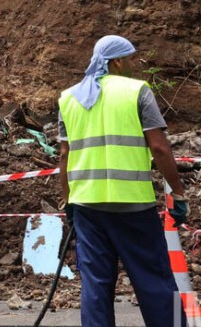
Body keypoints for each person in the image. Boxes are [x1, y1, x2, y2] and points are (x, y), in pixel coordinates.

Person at [56, 35, 189, 327]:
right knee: (154, 279)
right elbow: (159, 147)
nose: (135, 63)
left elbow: (65, 154)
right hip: (132, 206)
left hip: (87, 207)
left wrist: (68, 201)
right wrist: (178, 194)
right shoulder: (137, 91)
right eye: (131, 57)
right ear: (117, 62)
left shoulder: (69, 98)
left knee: (95, 284)